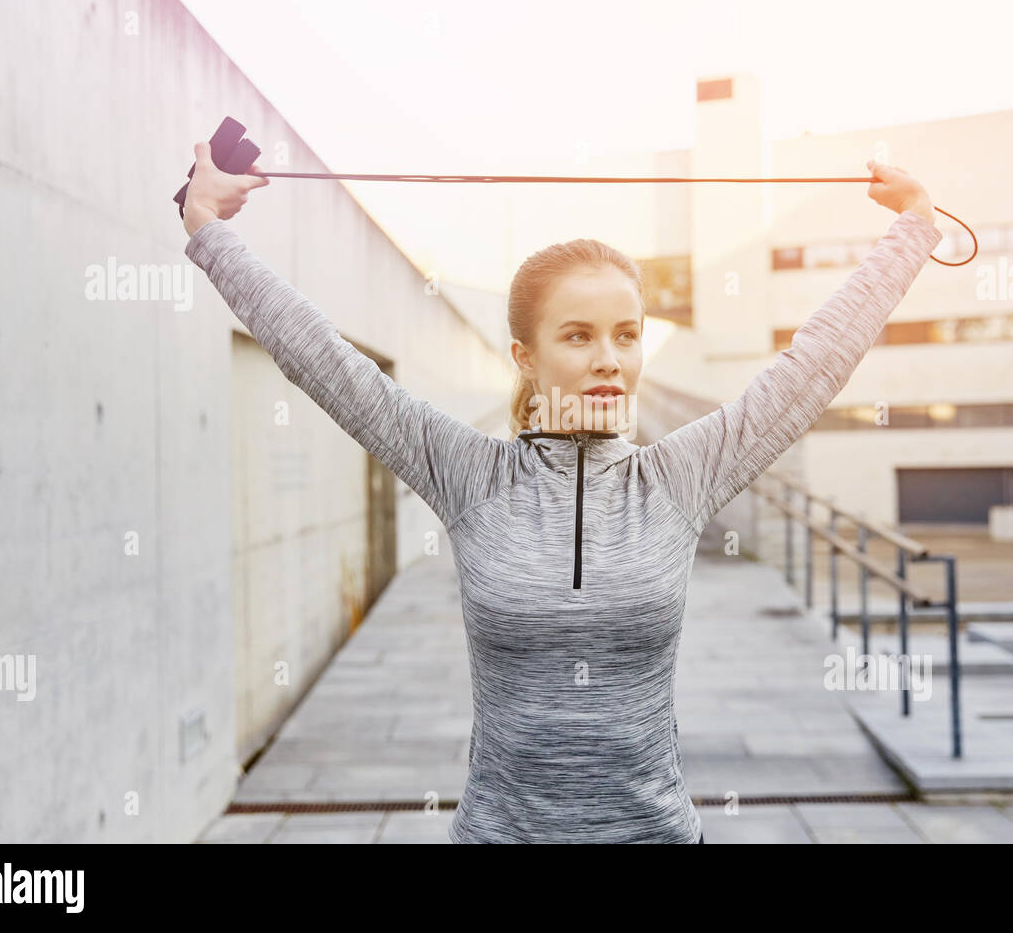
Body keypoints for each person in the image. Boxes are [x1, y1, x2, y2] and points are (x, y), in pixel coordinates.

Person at [181, 141, 941, 843]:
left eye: (627, 333)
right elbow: (327, 363)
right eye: (577, 335)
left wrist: (912, 229)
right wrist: (209, 229)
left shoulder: (678, 477)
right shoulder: (470, 475)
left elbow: (808, 369)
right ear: (527, 355)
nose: (609, 359)